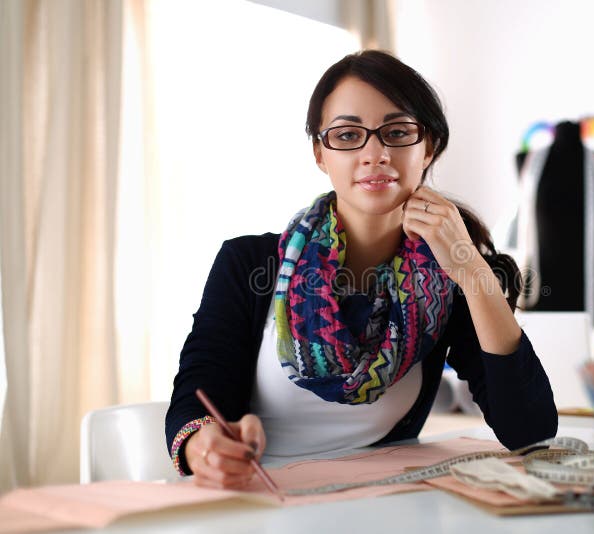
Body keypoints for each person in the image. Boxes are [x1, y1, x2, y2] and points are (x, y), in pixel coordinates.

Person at [166, 50, 557, 489]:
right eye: (349, 135)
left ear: (429, 146)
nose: (376, 154)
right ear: (320, 153)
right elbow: (194, 399)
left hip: (385, 508)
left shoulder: (448, 277)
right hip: (259, 502)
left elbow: (530, 432)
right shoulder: (248, 264)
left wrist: (471, 272)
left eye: (396, 132)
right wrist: (203, 446)